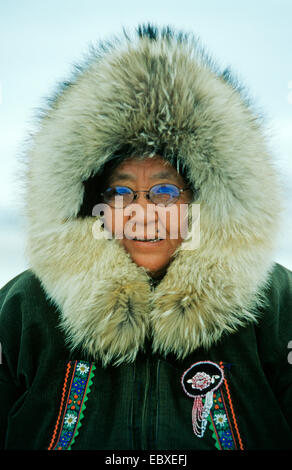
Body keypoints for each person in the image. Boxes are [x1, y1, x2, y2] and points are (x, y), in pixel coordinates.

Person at [0, 23, 292, 451]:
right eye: (120, 191)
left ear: (205, 200)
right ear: (89, 203)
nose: (141, 212)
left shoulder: (277, 302)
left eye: (165, 190)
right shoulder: (24, 307)